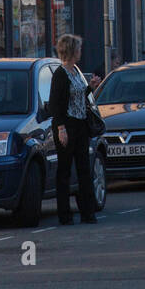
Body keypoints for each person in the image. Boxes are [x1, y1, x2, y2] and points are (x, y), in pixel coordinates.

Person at [48, 34, 99, 225]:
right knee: (64, 171)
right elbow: (55, 104)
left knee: (84, 169)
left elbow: (79, 97)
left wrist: (90, 88)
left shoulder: (76, 72)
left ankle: (88, 212)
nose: (80, 52)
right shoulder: (60, 75)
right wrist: (61, 129)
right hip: (66, 126)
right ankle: (65, 214)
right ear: (71, 51)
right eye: (78, 49)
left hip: (81, 125)